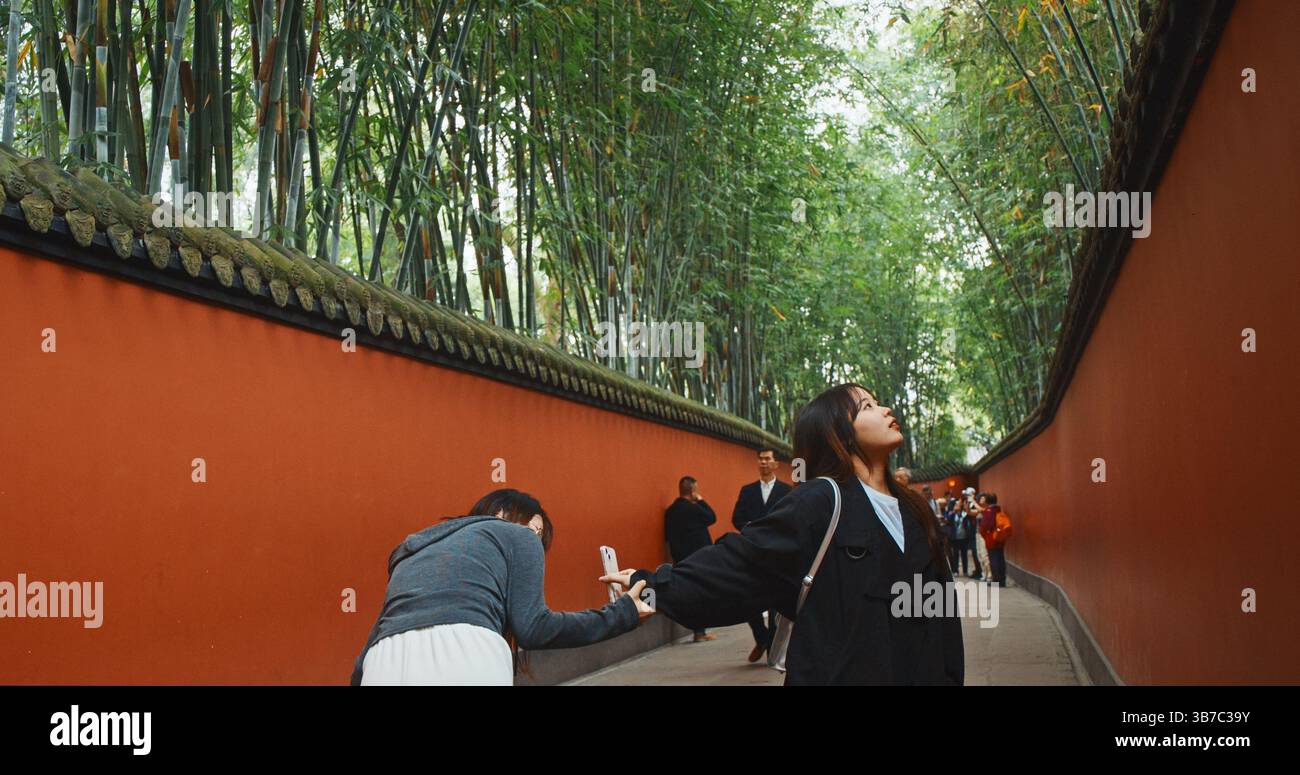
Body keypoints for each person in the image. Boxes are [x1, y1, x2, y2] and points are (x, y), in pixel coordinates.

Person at [604, 383, 964, 685]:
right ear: (838, 432)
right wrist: (651, 586)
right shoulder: (821, 501)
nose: (885, 409)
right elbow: (742, 564)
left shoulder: (915, 511)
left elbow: (942, 612)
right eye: (867, 406)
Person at [351, 489, 653, 685]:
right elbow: (535, 628)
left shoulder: (414, 547)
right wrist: (622, 612)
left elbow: (374, 640)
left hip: (383, 663)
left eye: (538, 535)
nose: (533, 538)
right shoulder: (517, 537)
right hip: (466, 655)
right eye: (531, 528)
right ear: (500, 514)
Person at [731, 448, 793, 662]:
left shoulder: (786, 491)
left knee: (776, 604)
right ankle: (762, 637)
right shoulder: (747, 491)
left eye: (768, 459)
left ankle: (772, 652)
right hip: (753, 553)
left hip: (777, 555)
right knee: (745, 599)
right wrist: (749, 527)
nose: (763, 462)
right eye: (761, 459)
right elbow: (737, 517)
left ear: (776, 464)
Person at [665, 476, 719, 642]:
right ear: (693, 491)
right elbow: (712, 517)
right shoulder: (694, 509)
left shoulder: (671, 511)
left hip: (681, 558)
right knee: (701, 594)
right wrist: (701, 500)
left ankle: (698, 630)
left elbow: (668, 537)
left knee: (689, 594)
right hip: (699, 559)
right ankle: (699, 632)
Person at [980, 494, 1013, 586]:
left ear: (987, 501)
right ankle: (1002, 580)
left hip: (991, 538)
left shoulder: (988, 512)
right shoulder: (999, 510)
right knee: (1001, 558)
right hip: (1000, 537)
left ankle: (996, 581)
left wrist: (985, 537)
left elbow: (983, 527)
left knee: (993, 559)